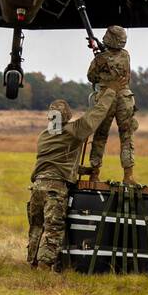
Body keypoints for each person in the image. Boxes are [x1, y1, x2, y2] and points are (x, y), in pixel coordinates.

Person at [26, 82, 121, 270]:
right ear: (66, 116)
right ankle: (45, 267)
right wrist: (110, 93)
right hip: (55, 188)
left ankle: (33, 263)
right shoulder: (72, 132)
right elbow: (95, 117)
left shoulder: (44, 135)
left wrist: (83, 171)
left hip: (37, 187)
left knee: (37, 227)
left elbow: (57, 161)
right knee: (54, 228)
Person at [86, 24, 138, 185]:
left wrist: (98, 55)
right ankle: (128, 175)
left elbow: (91, 76)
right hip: (125, 97)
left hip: (106, 99)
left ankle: (94, 174)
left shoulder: (100, 59)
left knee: (100, 136)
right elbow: (126, 76)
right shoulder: (126, 56)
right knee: (127, 137)